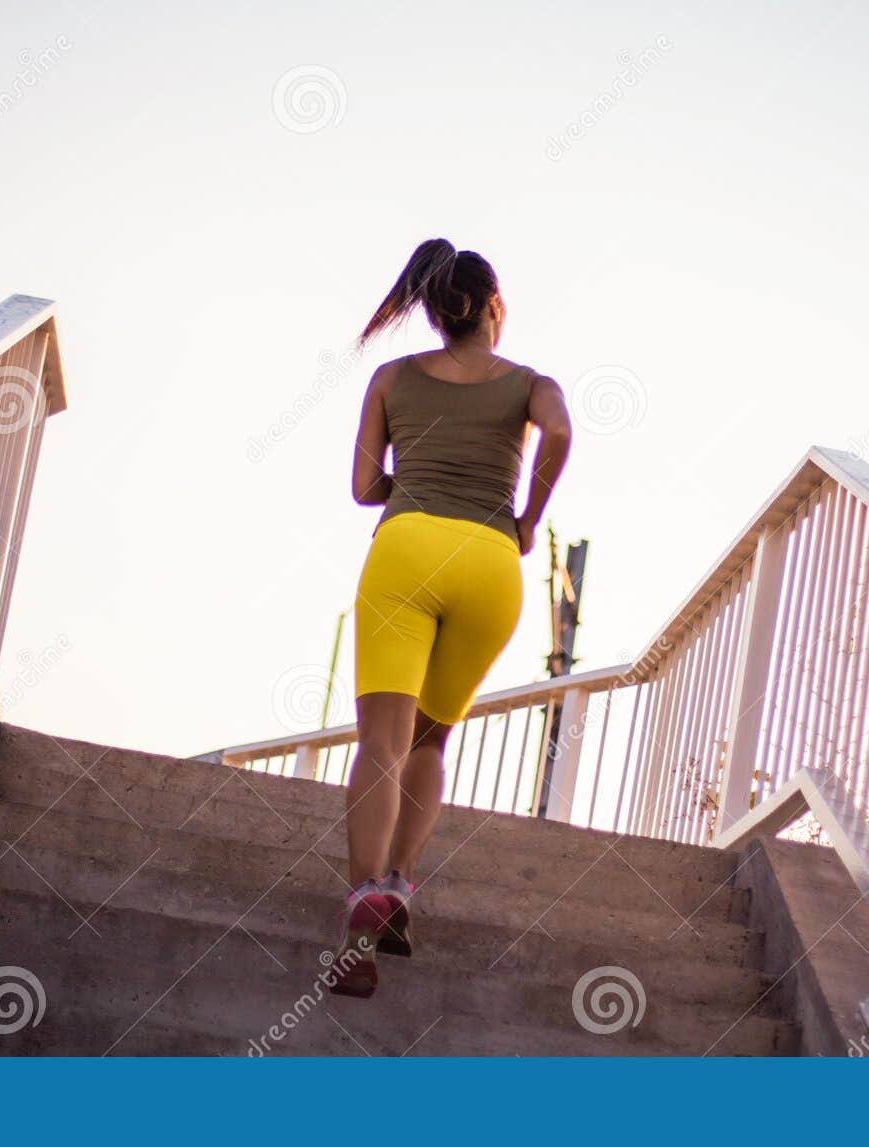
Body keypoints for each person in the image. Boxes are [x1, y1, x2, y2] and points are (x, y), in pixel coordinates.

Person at [330, 238, 573, 998]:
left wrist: (419, 473)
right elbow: (561, 432)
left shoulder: (392, 377)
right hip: (491, 564)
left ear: (434, 312)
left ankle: (362, 900)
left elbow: (366, 485)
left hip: (405, 549)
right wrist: (529, 514)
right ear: (495, 308)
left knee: (382, 742)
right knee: (433, 739)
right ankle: (401, 883)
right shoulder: (532, 383)